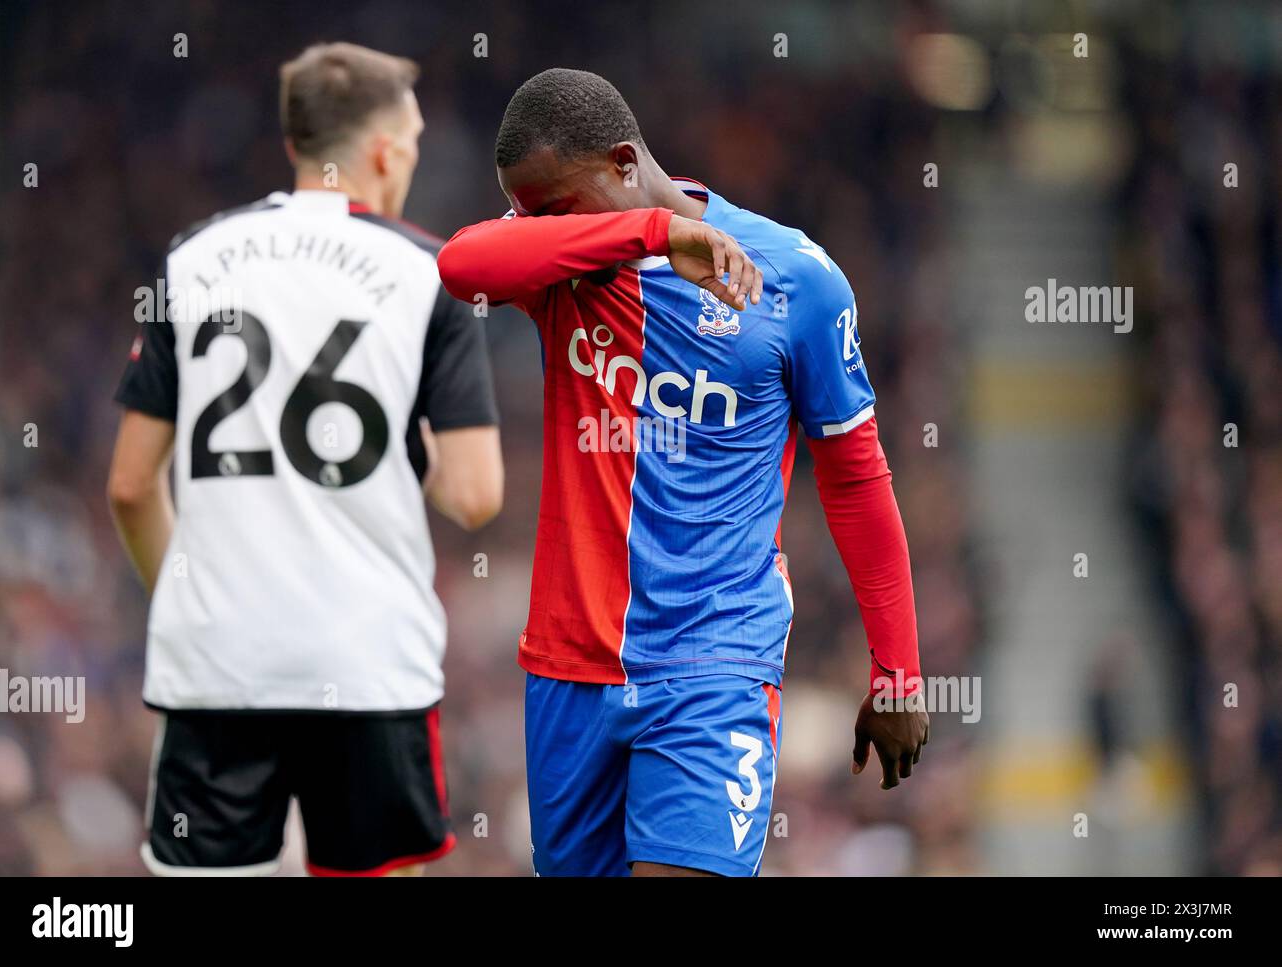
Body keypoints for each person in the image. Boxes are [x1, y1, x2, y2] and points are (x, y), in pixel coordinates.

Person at [438, 67, 928, 877]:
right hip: (568, 669)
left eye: (555, 209)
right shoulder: (564, 260)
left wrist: (899, 670)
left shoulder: (796, 278)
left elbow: (855, 479)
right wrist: (650, 236)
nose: (544, 230)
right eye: (528, 216)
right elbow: (461, 264)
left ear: (626, 162)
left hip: (713, 658)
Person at [107, 42, 502, 876]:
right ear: (387, 150)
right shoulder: (432, 272)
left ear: (296, 144)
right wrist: (403, 433)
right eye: (417, 144)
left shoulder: (193, 257)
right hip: (365, 665)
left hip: (218, 666)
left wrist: (183, 594)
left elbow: (131, 483)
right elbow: (474, 496)